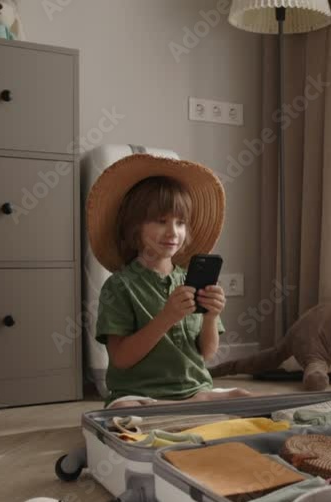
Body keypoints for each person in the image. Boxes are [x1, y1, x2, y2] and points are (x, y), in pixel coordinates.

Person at [87, 154, 252, 408]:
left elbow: (207, 353)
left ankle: (181, 414)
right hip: (139, 395)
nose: (173, 232)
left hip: (194, 391)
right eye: (161, 221)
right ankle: (177, 416)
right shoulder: (120, 285)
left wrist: (210, 316)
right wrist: (167, 317)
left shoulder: (190, 280)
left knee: (244, 398)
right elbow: (121, 358)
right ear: (135, 226)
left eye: (181, 222)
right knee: (123, 410)